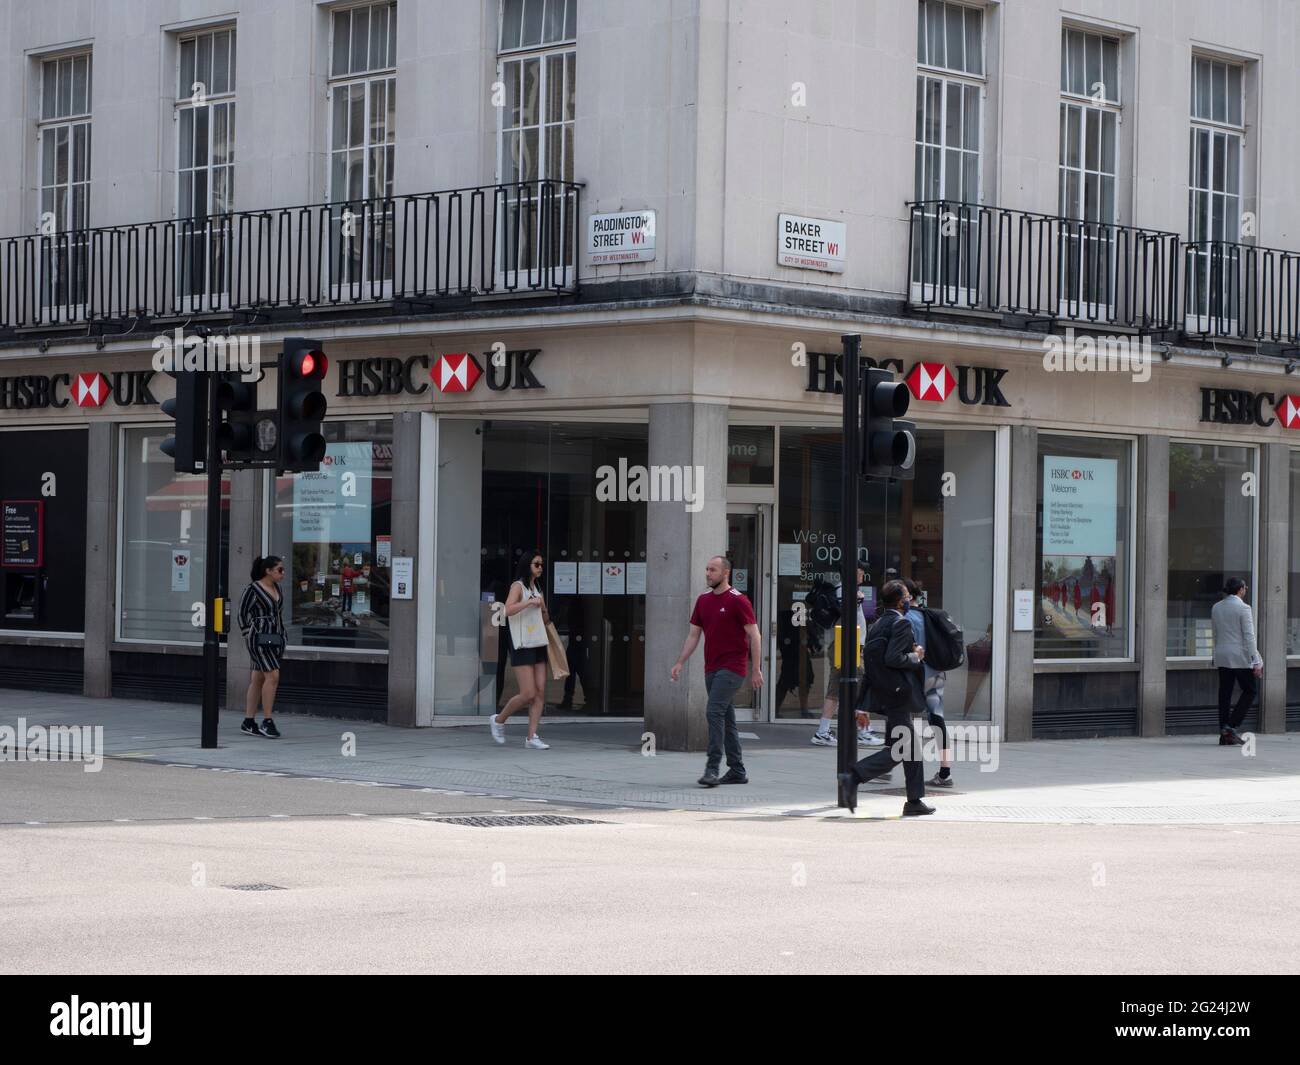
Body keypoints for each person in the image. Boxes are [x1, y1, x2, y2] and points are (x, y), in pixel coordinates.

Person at [837, 580, 934, 816]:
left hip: (887, 694)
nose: (911, 600)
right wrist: (916, 656)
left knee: (906, 748)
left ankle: (914, 801)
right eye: (908, 597)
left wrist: (862, 705)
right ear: (901, 601)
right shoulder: (901, 623)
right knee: (904, 748)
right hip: (898, 695)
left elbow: (871, 666)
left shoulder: (878, 624)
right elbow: (894, 659)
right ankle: (854, 775)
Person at [671, 555, 763, 787]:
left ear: (725, 573)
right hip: (711, 667)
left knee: (713, 712)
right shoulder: (703, 600)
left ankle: (712, 768)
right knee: (727, 719)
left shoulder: (738, 601)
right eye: (706, 569)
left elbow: (755, 635)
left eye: (713, 570)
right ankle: (737, 770)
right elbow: (693, 635)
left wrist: (756, 669)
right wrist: (680, 662)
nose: (708, 573)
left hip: (733, 668)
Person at [812, 563, 883, 749]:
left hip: (848, 645)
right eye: (860, 572)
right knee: (858, 686)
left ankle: (824, 731)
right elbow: (845, 616)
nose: (863, 575)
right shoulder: (845, 591)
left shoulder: (846, 591)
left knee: (838, 690)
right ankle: (862, 731)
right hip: (846, 645)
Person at [488, 552, 552, 749]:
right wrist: (529, 602)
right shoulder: (518, 586)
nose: (540, 567)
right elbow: (506, 610)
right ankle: (499, 720)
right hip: (522, 643)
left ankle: (532, 737)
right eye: (536, 564)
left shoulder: (537, 587)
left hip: (538, 641)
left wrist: (542, 607)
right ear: (527, 565)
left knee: (540, 692)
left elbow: (545, 618)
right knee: (528, 693)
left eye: (541, 564)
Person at [902, 579, 954, 787]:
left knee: (899, 718)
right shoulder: (929, 616)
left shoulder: (904, 618)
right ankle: (945, 771)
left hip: (913, 675)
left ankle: (885, 765)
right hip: (935, 673)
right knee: (937, 719)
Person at [238, 555, 286, 738]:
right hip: (259, 638)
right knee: (273, 675)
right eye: (280, 570)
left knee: (258, 677)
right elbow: (242, 614)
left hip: (275, 638)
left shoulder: (277, 588)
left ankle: (248, 721)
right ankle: (267, 721)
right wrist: (249, 634)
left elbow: (278, 613)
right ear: (268, 570)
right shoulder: (253, 589)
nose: (283, 573)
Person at [1211, 576, 1262, 746]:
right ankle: (1231, 726)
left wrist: (1214, 655)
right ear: (1240, 590)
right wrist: (1255, 660)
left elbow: (1215, 633)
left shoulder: (1216, 607)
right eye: (1245, 588)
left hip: (1222, 654)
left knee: (1224, 693)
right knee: (1250, 690)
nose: (1246, 590)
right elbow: (1249, 636)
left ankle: (1224, 734)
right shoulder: (1244, 608)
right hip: (1239, 656)